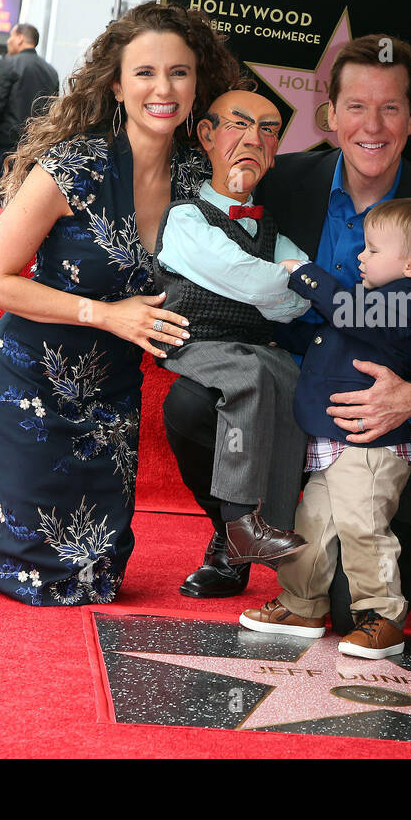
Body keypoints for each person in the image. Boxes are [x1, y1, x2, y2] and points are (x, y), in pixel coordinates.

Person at [0, 2, 239, 609]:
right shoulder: (73, 167)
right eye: (145, 73)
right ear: (116, 85)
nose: (164, 88)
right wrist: (106, 314)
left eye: (180, 73)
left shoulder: (196, 175)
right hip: (28, 377)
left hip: (110, 394)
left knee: (96, 579)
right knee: (38, 581)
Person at [163, 35, 411, 627]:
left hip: (378, 430)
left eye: (391, 107)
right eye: (357, 107)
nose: (374, 125)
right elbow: (212, 212)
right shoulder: (282, 182)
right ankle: (236, 532)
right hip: (290, 395)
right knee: (192, 402)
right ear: (331, 115)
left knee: (347, 610)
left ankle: (401, 533)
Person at [242, 198, 411, 658]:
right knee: (313, 525)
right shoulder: (367, 306)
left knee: (363, 527)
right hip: (333, 442)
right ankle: (301, 603)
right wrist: (274, 328)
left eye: (373, 250)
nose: (360, 257)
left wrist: (305, 273)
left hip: (371, 446)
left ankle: (382, 614)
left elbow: (343, 312)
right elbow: (325, 334)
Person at [151, 87, 310, 567]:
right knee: (249, 379)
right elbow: (254, 282)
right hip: (195, 342)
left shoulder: (272, 232)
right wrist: (275, 281)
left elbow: (298, 302)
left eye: (268, 129)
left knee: (287, 380)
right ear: (206, 135)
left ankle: (272, 523)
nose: (253, 139)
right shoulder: (185, 216)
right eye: (238, 124)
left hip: (254, 349)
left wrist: (279, 285)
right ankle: (238, 522)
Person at [0, 22, 60, 175]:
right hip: (37, 146)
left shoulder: (9, 63)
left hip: (7, 145)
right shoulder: (51, 72)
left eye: (11, 36)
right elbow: (53, 110)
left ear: (20, 39)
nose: (8, 41)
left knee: (0, 191)